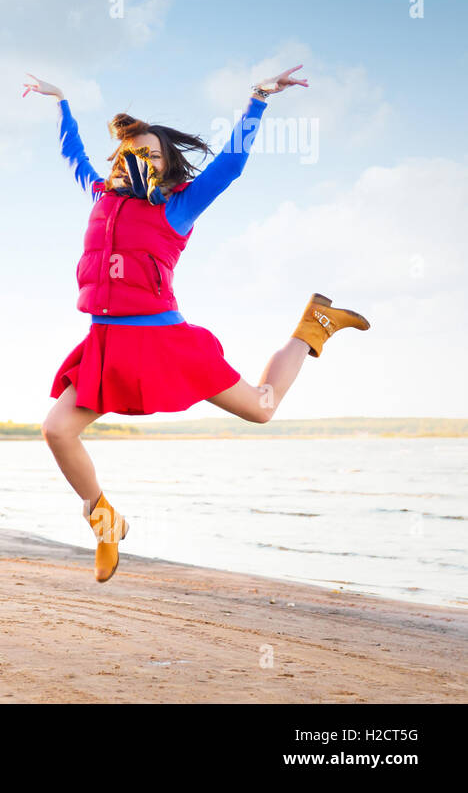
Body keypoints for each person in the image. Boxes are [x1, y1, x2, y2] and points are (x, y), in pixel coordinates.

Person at [23, 65, 369, 582]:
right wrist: (62, 103)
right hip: (105, 343)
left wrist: (257, 100)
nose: (139, 161)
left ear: (166, 169)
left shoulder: (178, 209)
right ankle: (105, 520)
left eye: (152, 155)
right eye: (131, 153)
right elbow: (72, 151)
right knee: (56, 430)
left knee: (261, 408)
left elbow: (229, 167)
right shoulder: (100, 195)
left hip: (164, 342)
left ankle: (313, 327)